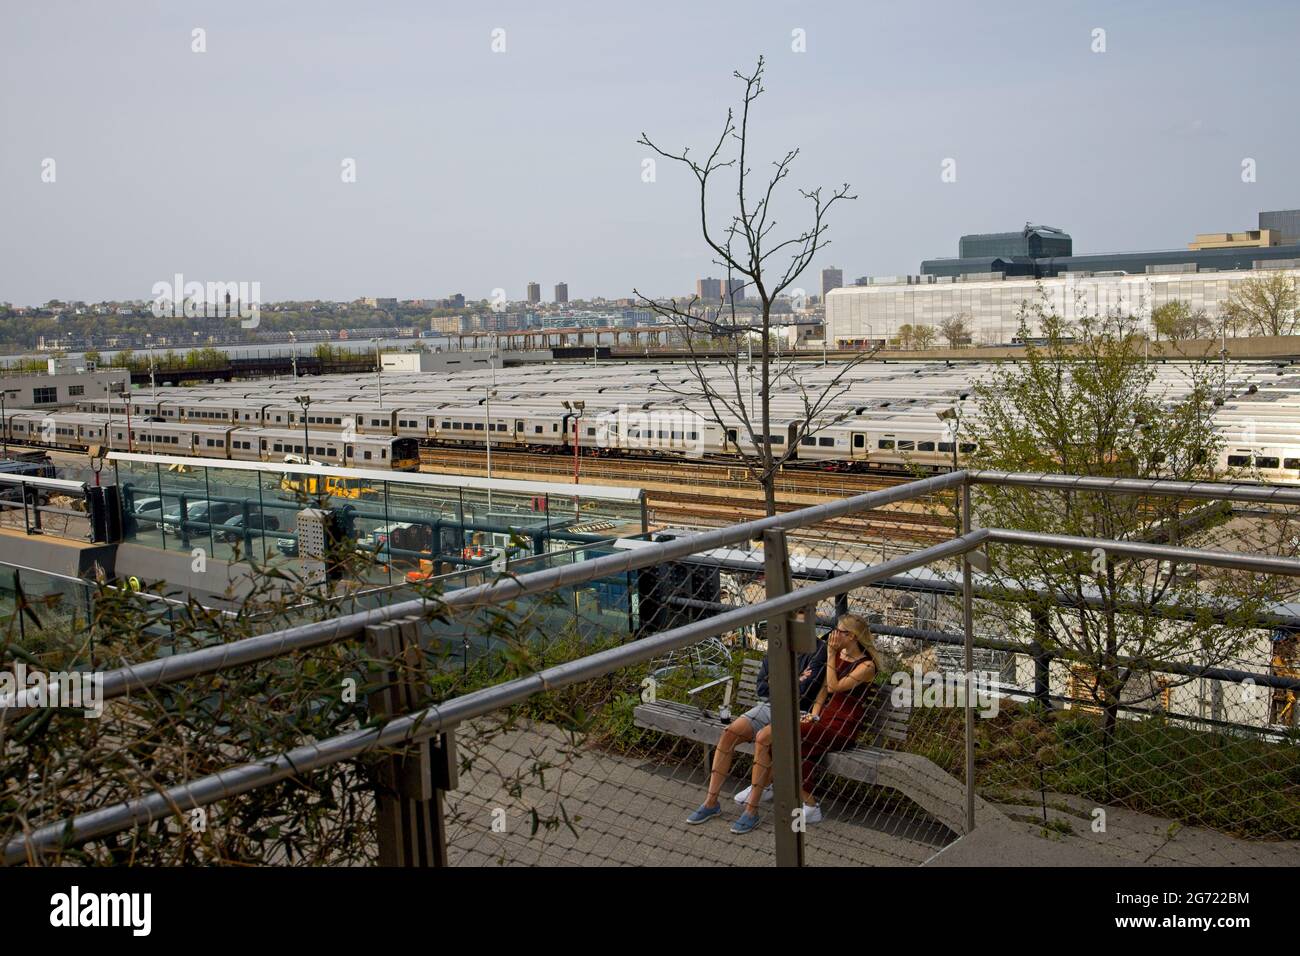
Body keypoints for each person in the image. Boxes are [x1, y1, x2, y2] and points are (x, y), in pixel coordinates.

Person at [730, 614, 881, 834]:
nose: (834, 635)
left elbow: (833, 687)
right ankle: (798, 802)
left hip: (842, 726)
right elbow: (821, 693)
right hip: (823, 720)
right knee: (775, 741)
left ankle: (759, 801)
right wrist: (814, 714)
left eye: (839, 631)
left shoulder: (867, 666)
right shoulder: (838, 656)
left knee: (770, 736)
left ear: (852, 636)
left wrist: (830, 653)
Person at [686, 633, 828, 824]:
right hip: (770, 705)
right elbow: (761, 687)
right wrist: (794, 680)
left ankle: (751, 811)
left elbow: (804, 692)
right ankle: (711, 803)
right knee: (729, 734)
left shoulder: (818, 650)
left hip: (799, 712)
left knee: (763, 738)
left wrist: (778, 681)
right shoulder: (779, 645)